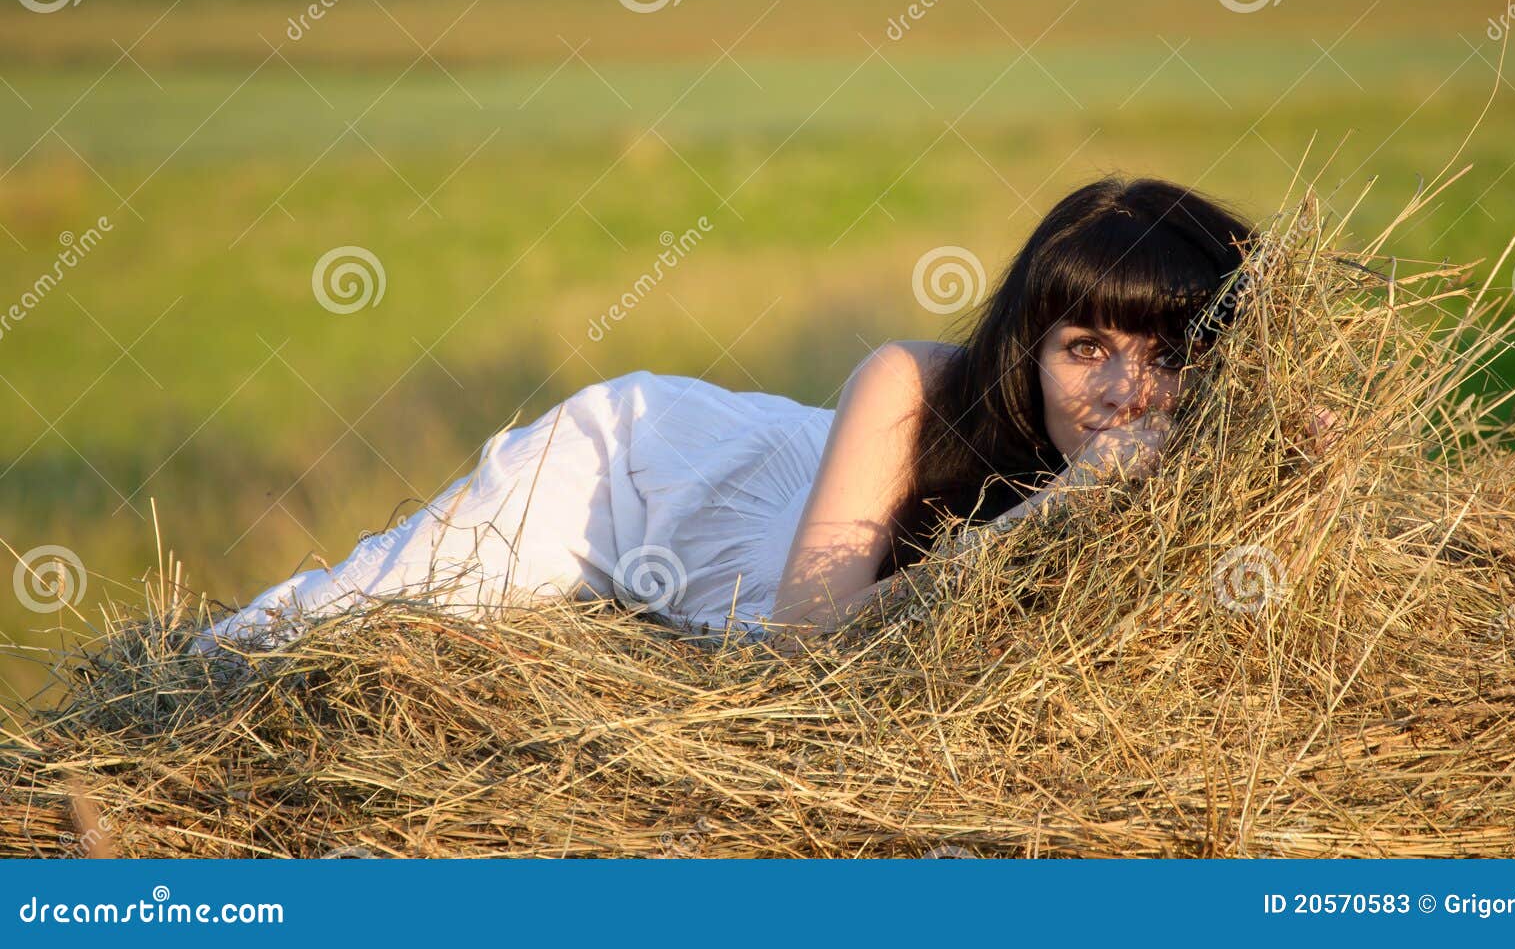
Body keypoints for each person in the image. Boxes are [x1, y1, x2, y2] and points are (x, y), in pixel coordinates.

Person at [188, 174, 1277, 660]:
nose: (1126, 392)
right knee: (330, 636)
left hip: (783, 472)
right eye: (1083, 348)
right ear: (1026, 352)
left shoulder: (1202, 444)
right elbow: (807, 640)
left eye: (1167, 356)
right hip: (624, 479)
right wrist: (1066, 506)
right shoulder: (912, 383)